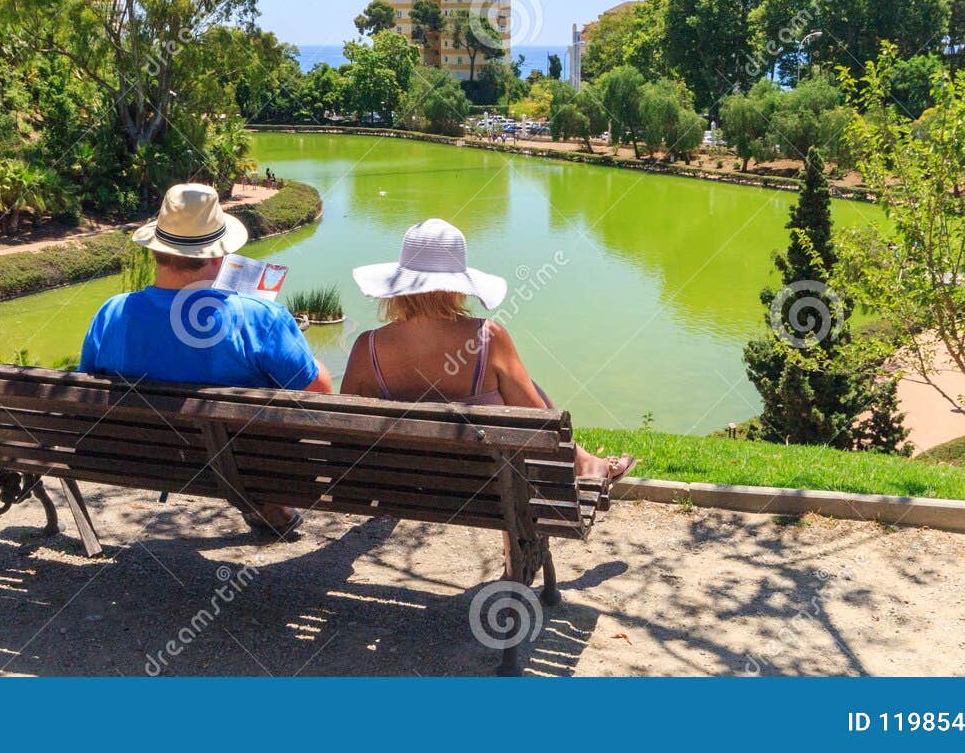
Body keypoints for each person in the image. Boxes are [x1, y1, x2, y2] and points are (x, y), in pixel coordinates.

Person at [79, 182, 332, 534]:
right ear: (218, 256)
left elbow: (86, 389)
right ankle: (264, 501)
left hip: (139, 459)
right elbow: (319, 395)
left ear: (156, 251)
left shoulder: (112, 313)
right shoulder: (259, 316)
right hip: (252, 464)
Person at [340, 218, 637, 487]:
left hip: (393, 482)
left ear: (401, 283)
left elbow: (344, 427)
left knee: (522, 387)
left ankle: (586, 462)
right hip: (483, 485)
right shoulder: (487, 338)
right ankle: (585, 464)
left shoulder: (368, 347)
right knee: (526, 391)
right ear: (457, 285)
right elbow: (541, 425)